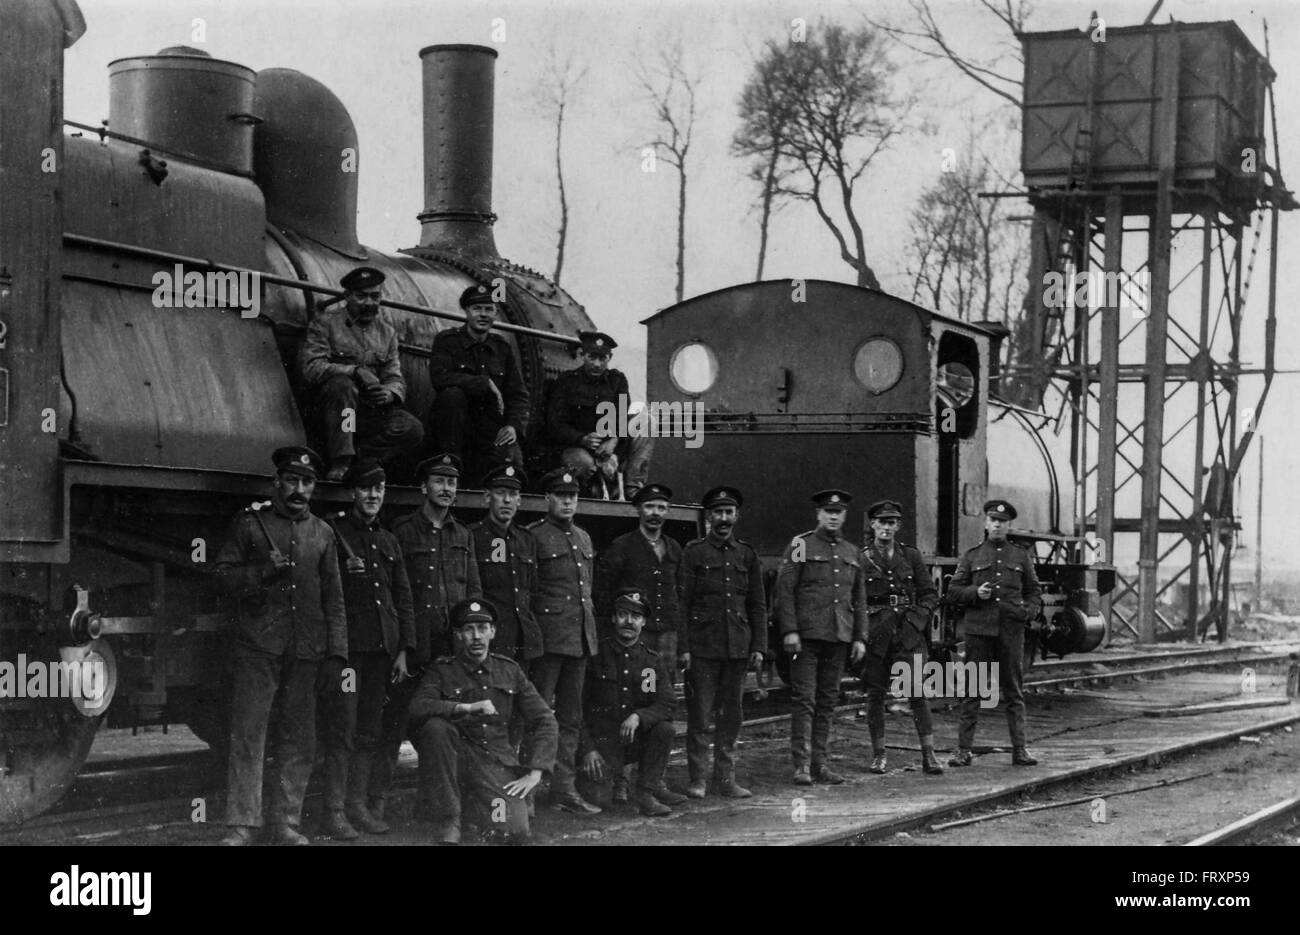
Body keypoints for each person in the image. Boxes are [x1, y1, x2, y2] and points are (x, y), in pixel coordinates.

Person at [214, 446, 347, 846]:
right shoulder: (250, 525)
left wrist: (337, 654)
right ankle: (242, 825)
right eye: (292, 480)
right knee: (248, 734)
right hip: (259, 646)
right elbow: (221, 576)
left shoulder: (323, 534)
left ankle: (285, 822)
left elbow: (334, 600)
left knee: (300, 737)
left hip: (306, 650)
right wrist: (261, 572)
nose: (299, 489)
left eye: (307, 482)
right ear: (277, 482)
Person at [370, 453, 482, 815]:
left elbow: (473, 594)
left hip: (450, 650)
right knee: (394, 722)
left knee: (444, 725)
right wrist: (402, 647)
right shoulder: (402, 531)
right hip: (414, 647)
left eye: (452, 483)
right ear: (424, 487)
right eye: (439, 481)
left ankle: (435, 800)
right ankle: (376, 802)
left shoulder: (462, 534)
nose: (447, 489)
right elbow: (392, 594)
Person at [316, 460, 416, 840]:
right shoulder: (334, 533)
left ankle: (357, 806)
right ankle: (334, 811)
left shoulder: (388, 540)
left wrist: (404, 650)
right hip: (348, 655)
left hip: (380, 655)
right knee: (342, 727)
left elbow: (402, 598)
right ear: (352, 493)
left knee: (369, 731)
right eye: (366, 489)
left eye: (379, 489)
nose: (373, 496)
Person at [407, 598, 559, 844]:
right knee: (436, 727)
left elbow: (545, 719)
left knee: (514, 829)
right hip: (454, 757)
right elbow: (417, 707)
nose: (476, 636)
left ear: (493, 632)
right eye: (468, 629)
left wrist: (536, 771)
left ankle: (473, 813)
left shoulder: (509, 671)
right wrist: (464, 707)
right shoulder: (442, 670)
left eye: (482, 628)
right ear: (458, 634)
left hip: (493, 761)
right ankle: (451, 818)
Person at [773, 489, 868, 786]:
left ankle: (820, 764)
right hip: (807, 636)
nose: (833, 516)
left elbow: (860, 599)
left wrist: (859, 637)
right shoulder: (801, 545)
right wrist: (789, 630)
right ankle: (801, 764)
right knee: (804, 700)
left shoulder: (852, 553)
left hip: (838, 636)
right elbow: (784, 591)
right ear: (818, 514)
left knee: (827, 701)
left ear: (844, 516)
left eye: (838, 512)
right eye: (828, 511)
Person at [298, 266, 424, 481]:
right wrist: (354, 371)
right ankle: (341, 462)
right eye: (361, 296)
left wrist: (390, 393)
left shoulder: (387, 333)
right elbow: (311, 368)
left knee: (411, 428)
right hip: (337, 411)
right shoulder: (325, 324)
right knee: (342, 386)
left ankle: (360, 462)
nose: (369, 303)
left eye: (375, 296)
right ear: (347, 296)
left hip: (369, 412)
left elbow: (395, 376)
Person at [680, 485, 766, 799]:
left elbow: (757, 604)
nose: (724, 519)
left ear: (736, 516)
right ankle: (698, 779)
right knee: (700, 716)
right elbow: (682, 603)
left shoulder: (747, 554)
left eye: (729, 513)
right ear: (708, 516)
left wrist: (758, 647)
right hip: (703, 649)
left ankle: (725, 779)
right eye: (718, 513)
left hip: (737, 648)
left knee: (731, 717)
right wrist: (685, 648)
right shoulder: (693, 553)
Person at [526, 468, 602, 814]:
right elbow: (528, 592)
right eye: (560, 496)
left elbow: (587, 593)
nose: (568, 501)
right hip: (549, 642)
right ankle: (526, 792)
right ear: (547, 500)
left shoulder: (584, 538)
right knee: (539, 716)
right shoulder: (535, 537)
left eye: (572, 496)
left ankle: (563, 790)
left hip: (580, 641)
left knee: (571, 717)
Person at [946, 500, 1043, 767]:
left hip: (1010, 632)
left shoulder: (1020, 556)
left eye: (1002, 521)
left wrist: (1029, 612)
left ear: (1009, 525)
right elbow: (953, 591)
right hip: (979, 632)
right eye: (993, 520)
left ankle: (1020, 750)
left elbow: (1034, 592)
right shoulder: (972, 555)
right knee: (972, 690)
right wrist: (975, 593)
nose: (997, 524)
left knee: (1013, 691)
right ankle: (964, 750)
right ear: (986, 523)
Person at [578, 588, 683, 816]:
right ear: (614, 618)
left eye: (636, 617)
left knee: (664, 729)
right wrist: (588, 750)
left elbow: (665, 702)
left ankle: (645, 793)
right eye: (624, 614)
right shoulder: (596, 657)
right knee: (599, 801)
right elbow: (576, 708)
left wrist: (639, 716)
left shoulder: (649, 662)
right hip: (602, 744)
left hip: (633, 741)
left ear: (643, 622)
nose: (629, 621)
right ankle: (614, 783)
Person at [859, 500, 943, 776]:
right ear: (873, 525)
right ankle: (879, 755)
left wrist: (916, 621)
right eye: (881, 522)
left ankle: (928, 755)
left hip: (908, 634)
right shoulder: (862, 559)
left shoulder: (911, 556)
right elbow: (854, 599)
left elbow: (930, 594)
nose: (886, 527)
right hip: (877, 635)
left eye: (891, 523)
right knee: (875, 695)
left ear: (898, 526)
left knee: (917, 693)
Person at [427, 284, 530, 480]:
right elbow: (440, 377)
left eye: (489, 309)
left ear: (495, 313)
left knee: (512, 465)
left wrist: (513, 426)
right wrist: (482, 383)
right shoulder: (448, 341)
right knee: (452, 395)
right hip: (456, 426)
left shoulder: (502, 348)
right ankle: (449, 469)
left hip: (490, 429)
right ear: (467, 311)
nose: (483, 315)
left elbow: (518, 394)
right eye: (477, 309)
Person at [545, 330, 652, 500]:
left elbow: (623, 415)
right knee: (584, 465)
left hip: (609, 444)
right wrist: (581, 439)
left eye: (602, 359)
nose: (596, 364)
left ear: (609, 358)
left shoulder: (617, 381)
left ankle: (633, 488)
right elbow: (555, 423)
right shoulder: (566, 381)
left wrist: (614, 439)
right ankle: (594, 490)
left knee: (647, 421)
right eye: (592, 357)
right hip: (578, 446)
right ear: (582, 355)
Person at [468, 463, 543, 664]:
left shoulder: (526, 539)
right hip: (492, 640)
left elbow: (533, 591)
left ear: (519, 500)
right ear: (487, 497)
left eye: (513, 494)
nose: (507, 500)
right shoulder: (473, 536)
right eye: (501, 493)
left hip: (524, 640)